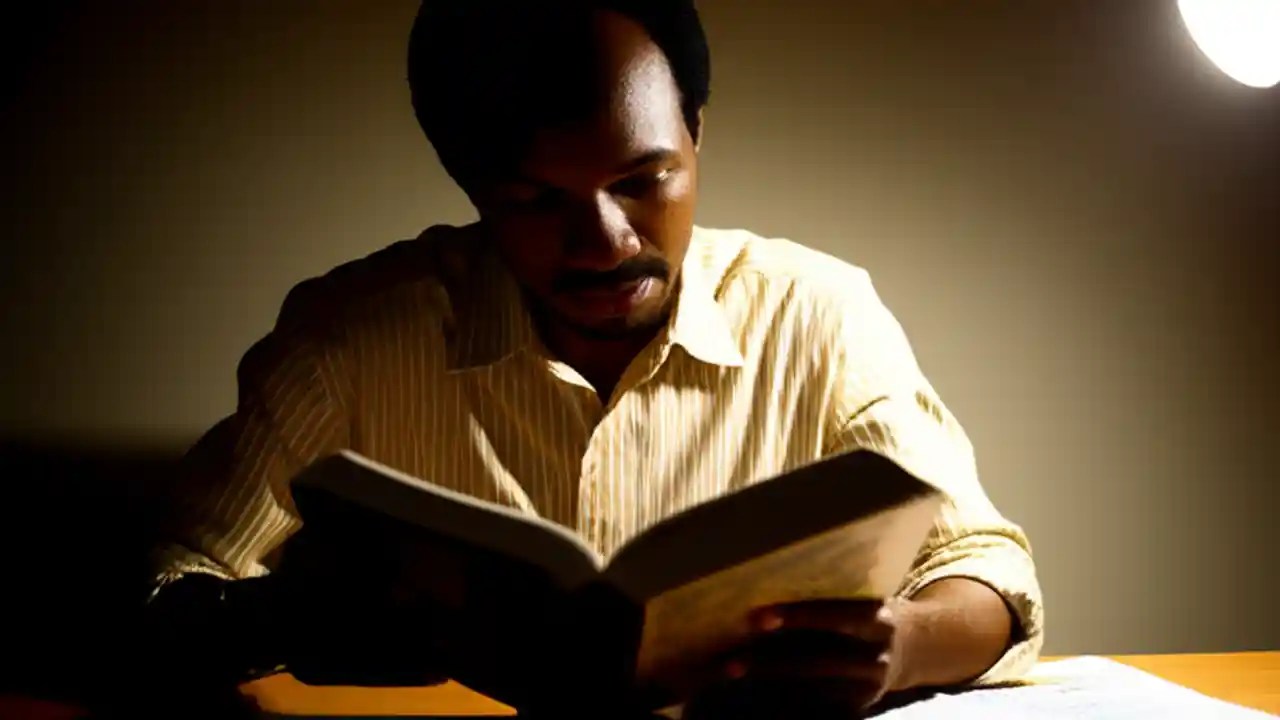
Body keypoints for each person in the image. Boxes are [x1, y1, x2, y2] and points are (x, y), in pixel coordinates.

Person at [142, 1, 1043, 717]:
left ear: (696, 131)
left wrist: (904, 646)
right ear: (471, 184)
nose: (603, 244)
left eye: (643, 180)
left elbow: (987, 565)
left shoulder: (819, 313)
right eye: (537, 199)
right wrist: (288, 621)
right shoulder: (348, 337)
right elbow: (167, 583)